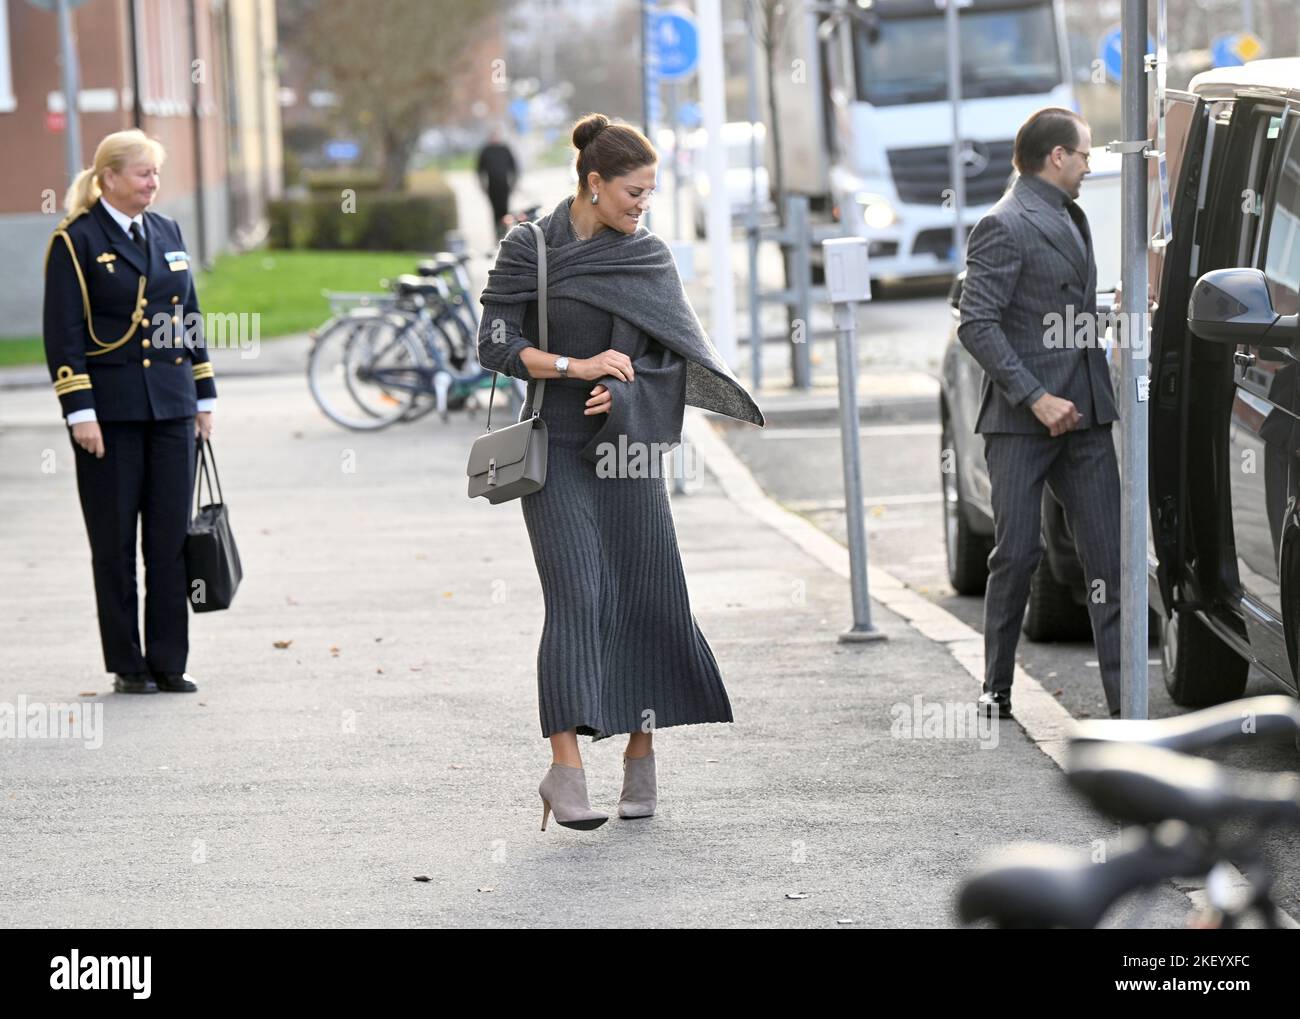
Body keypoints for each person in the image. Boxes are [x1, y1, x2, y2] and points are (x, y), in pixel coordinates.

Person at [476, 113, 765, 831]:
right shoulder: (531, 248)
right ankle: (565, 769)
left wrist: (629, 390)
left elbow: (676, 356)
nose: (644, 205)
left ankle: (641, 754)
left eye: (651, 192)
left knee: (645, 593)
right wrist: (574, 367)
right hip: (555, 446)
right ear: (594, 183)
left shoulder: (649, 255)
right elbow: (493, 341)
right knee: (576, 594)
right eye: (634, 191)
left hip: (628, 448)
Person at [958, 107, 1121, 720]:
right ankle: (995, 686)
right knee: (1017, 553)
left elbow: (1063, 311)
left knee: (1110, 562)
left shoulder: (1071, 215)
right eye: (1082, 154)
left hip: (1086, 414)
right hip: (1023, 420)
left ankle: (1125, 707)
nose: (1087, 164)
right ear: (1057, 157)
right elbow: (977, 323)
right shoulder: (1004, 223)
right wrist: (1035, 397)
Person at [43, 128, 217, 695]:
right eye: (143, 174)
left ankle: (169, 660)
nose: (153, 184)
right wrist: (79, 412)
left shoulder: (167, 229)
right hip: (109, 415)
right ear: (109, 178)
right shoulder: (76, 240)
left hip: (171, 406)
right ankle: (128, 664)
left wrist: (203, 396)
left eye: (156, 174)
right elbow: (64, 335)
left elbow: (187, 313)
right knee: (114, 544)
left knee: (168, 540)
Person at [476, 125, 518, 242]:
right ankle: (497, 236)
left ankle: (505, 235)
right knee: (495, 212)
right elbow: (479, 170)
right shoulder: (485, 151)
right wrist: (481, 184)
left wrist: (514, 183)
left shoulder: (505, 149)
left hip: (505, 186)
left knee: (505, 211)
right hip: (492, 187)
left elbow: (514, 167)